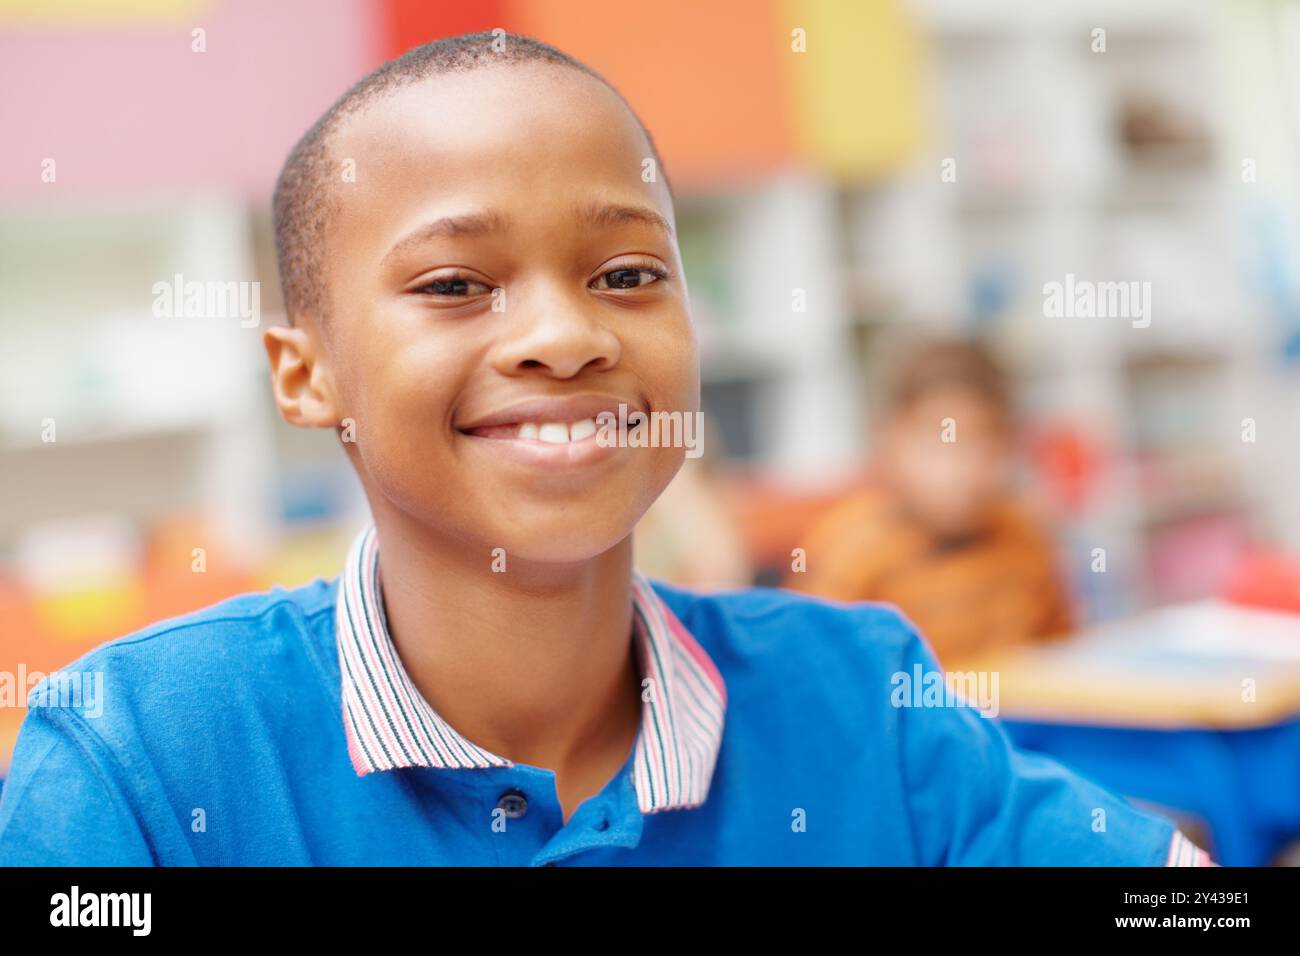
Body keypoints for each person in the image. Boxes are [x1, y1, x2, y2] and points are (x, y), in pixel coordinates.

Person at [0, 33, 1210, 866]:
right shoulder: (139, 756)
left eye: (627, 273)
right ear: (306, 373)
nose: (566, 335)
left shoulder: (860, 698)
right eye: (457, 282)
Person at [788, 338, 1074, 669]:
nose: (961, 470)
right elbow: (813, 671)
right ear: (889, 439)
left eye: (983, 442)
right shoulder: (853, 550)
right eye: (938, 444)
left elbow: (1061, 662)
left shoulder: (1023, 538)